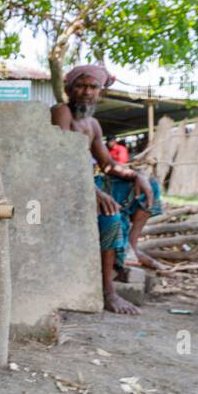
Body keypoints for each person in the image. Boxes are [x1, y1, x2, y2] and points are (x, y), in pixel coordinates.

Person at [51, 64, 164, 315]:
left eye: (93, 87)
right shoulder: (61, 112)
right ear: (69, 89)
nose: (86, 92)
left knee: (151, 187)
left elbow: (107, 164)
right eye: (80, 85)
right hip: (64, 186)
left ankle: (131, 250)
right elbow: (61, 162)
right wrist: (95, 193)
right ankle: (108, 293)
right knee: (110, 217)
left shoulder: (92, 124)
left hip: (89, 184)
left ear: (100, 92)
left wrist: (137, 175)